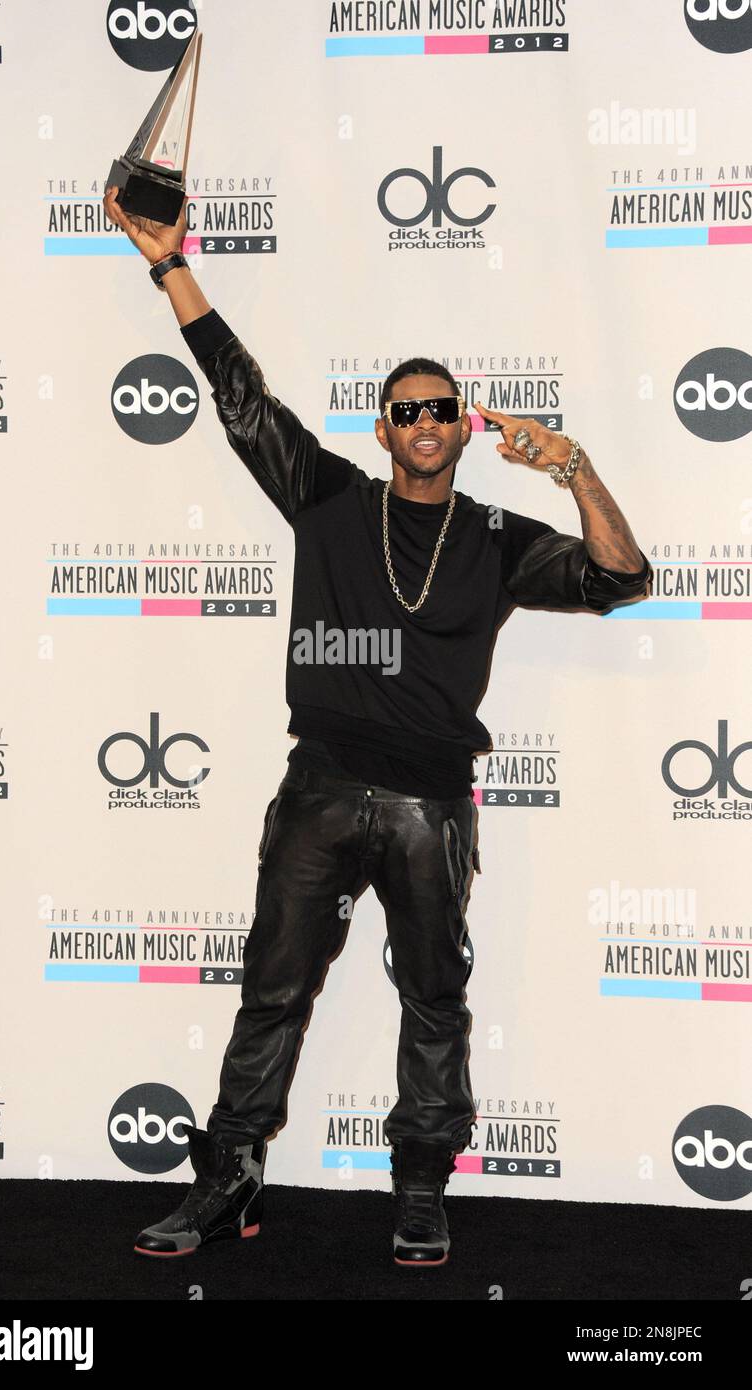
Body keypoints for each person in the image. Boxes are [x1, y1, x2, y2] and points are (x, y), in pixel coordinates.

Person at [103, 187, 652, 1268]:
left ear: (464, 423)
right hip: (321, 786)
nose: (424, 424)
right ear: (382, 428)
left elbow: (621, 578)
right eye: (404, 410)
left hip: (430, 807)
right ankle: (230, 1184)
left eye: (441, 407)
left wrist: (575, 464)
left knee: (435, 997)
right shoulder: (329, 500)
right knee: (272, 988)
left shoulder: (496, 535)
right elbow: (243, 398)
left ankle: (420, 1188)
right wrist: (171, 267)